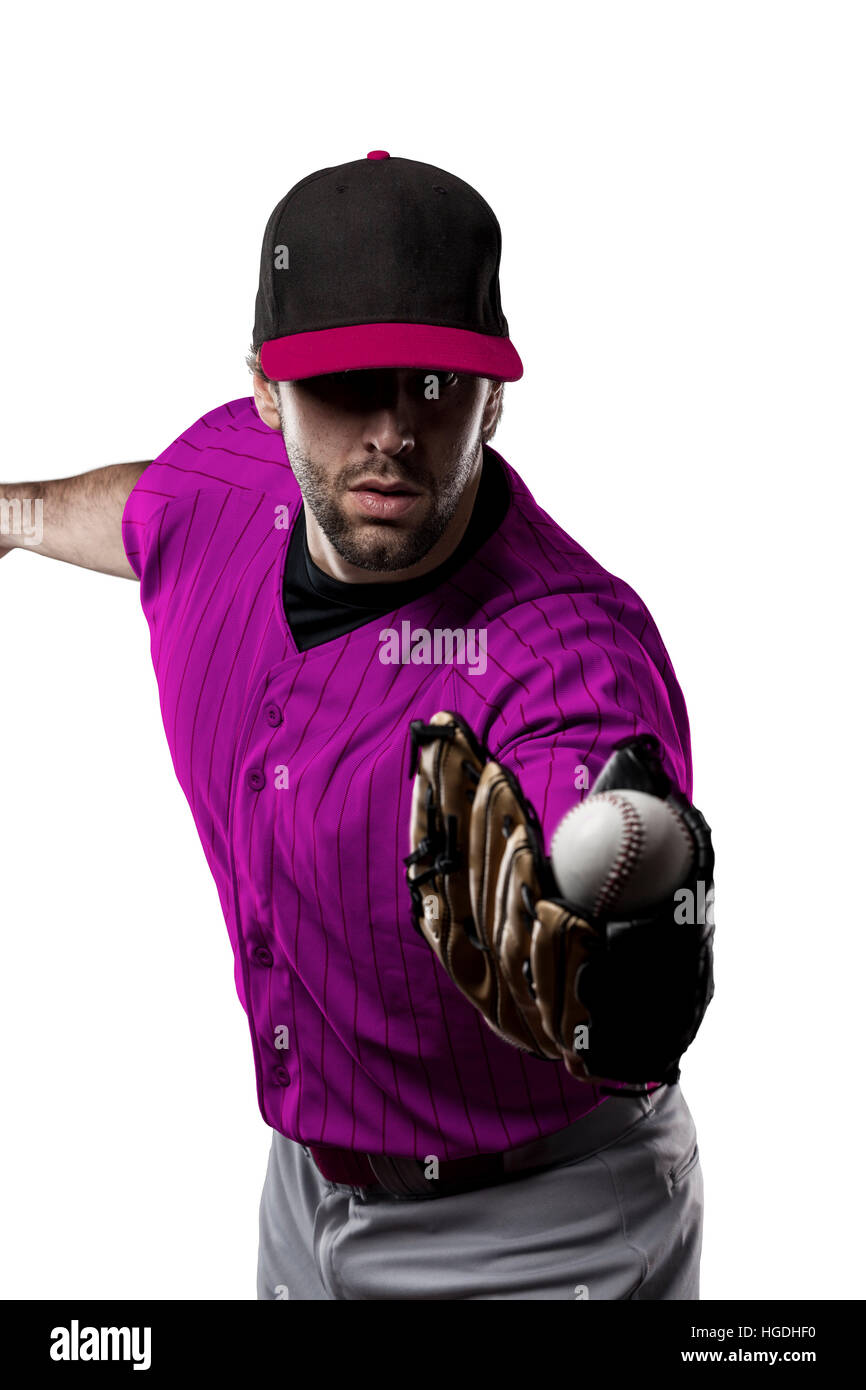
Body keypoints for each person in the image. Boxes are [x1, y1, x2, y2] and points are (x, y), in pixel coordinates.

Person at [0, 151, 706, 1300]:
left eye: (434, 383)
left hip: (533, 1231)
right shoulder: (223, 488)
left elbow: (603, 805)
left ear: (496, 395)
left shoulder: (561, 654)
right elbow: (134, 513)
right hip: (303, 1192)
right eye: (344, 383)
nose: (390, 429)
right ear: (265, 391)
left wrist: (613, 912)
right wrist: (13, 515)